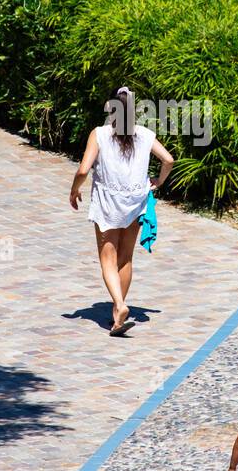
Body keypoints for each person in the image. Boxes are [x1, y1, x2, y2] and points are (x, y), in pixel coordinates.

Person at [69, 85, 174, 336]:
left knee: (107, 257)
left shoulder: (99, 134)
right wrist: (159, 181)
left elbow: (83, 170)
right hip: (135, 202)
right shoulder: (145, 134)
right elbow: (168, 160)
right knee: (125, 257)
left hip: (107, 203)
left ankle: (120, 304)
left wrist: (74, 190)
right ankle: (117, 318)